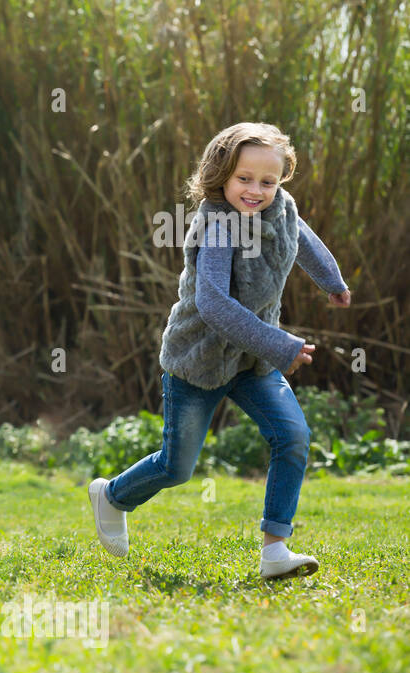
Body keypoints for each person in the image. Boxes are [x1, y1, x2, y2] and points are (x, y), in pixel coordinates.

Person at [88, 122, 351, 580]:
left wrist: (333, 282)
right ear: (221, 175)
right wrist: (279, 342)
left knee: (292, 437)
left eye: (268, 181)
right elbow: (212, 303)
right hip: (199, 360)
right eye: (244, 179)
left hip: (252, 362)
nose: (256, 190)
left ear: (281, 180)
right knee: (176, 467)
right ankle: (112, 496)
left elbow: (304, 241)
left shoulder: (282, 208)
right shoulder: (218, 225)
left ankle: (275, 551)